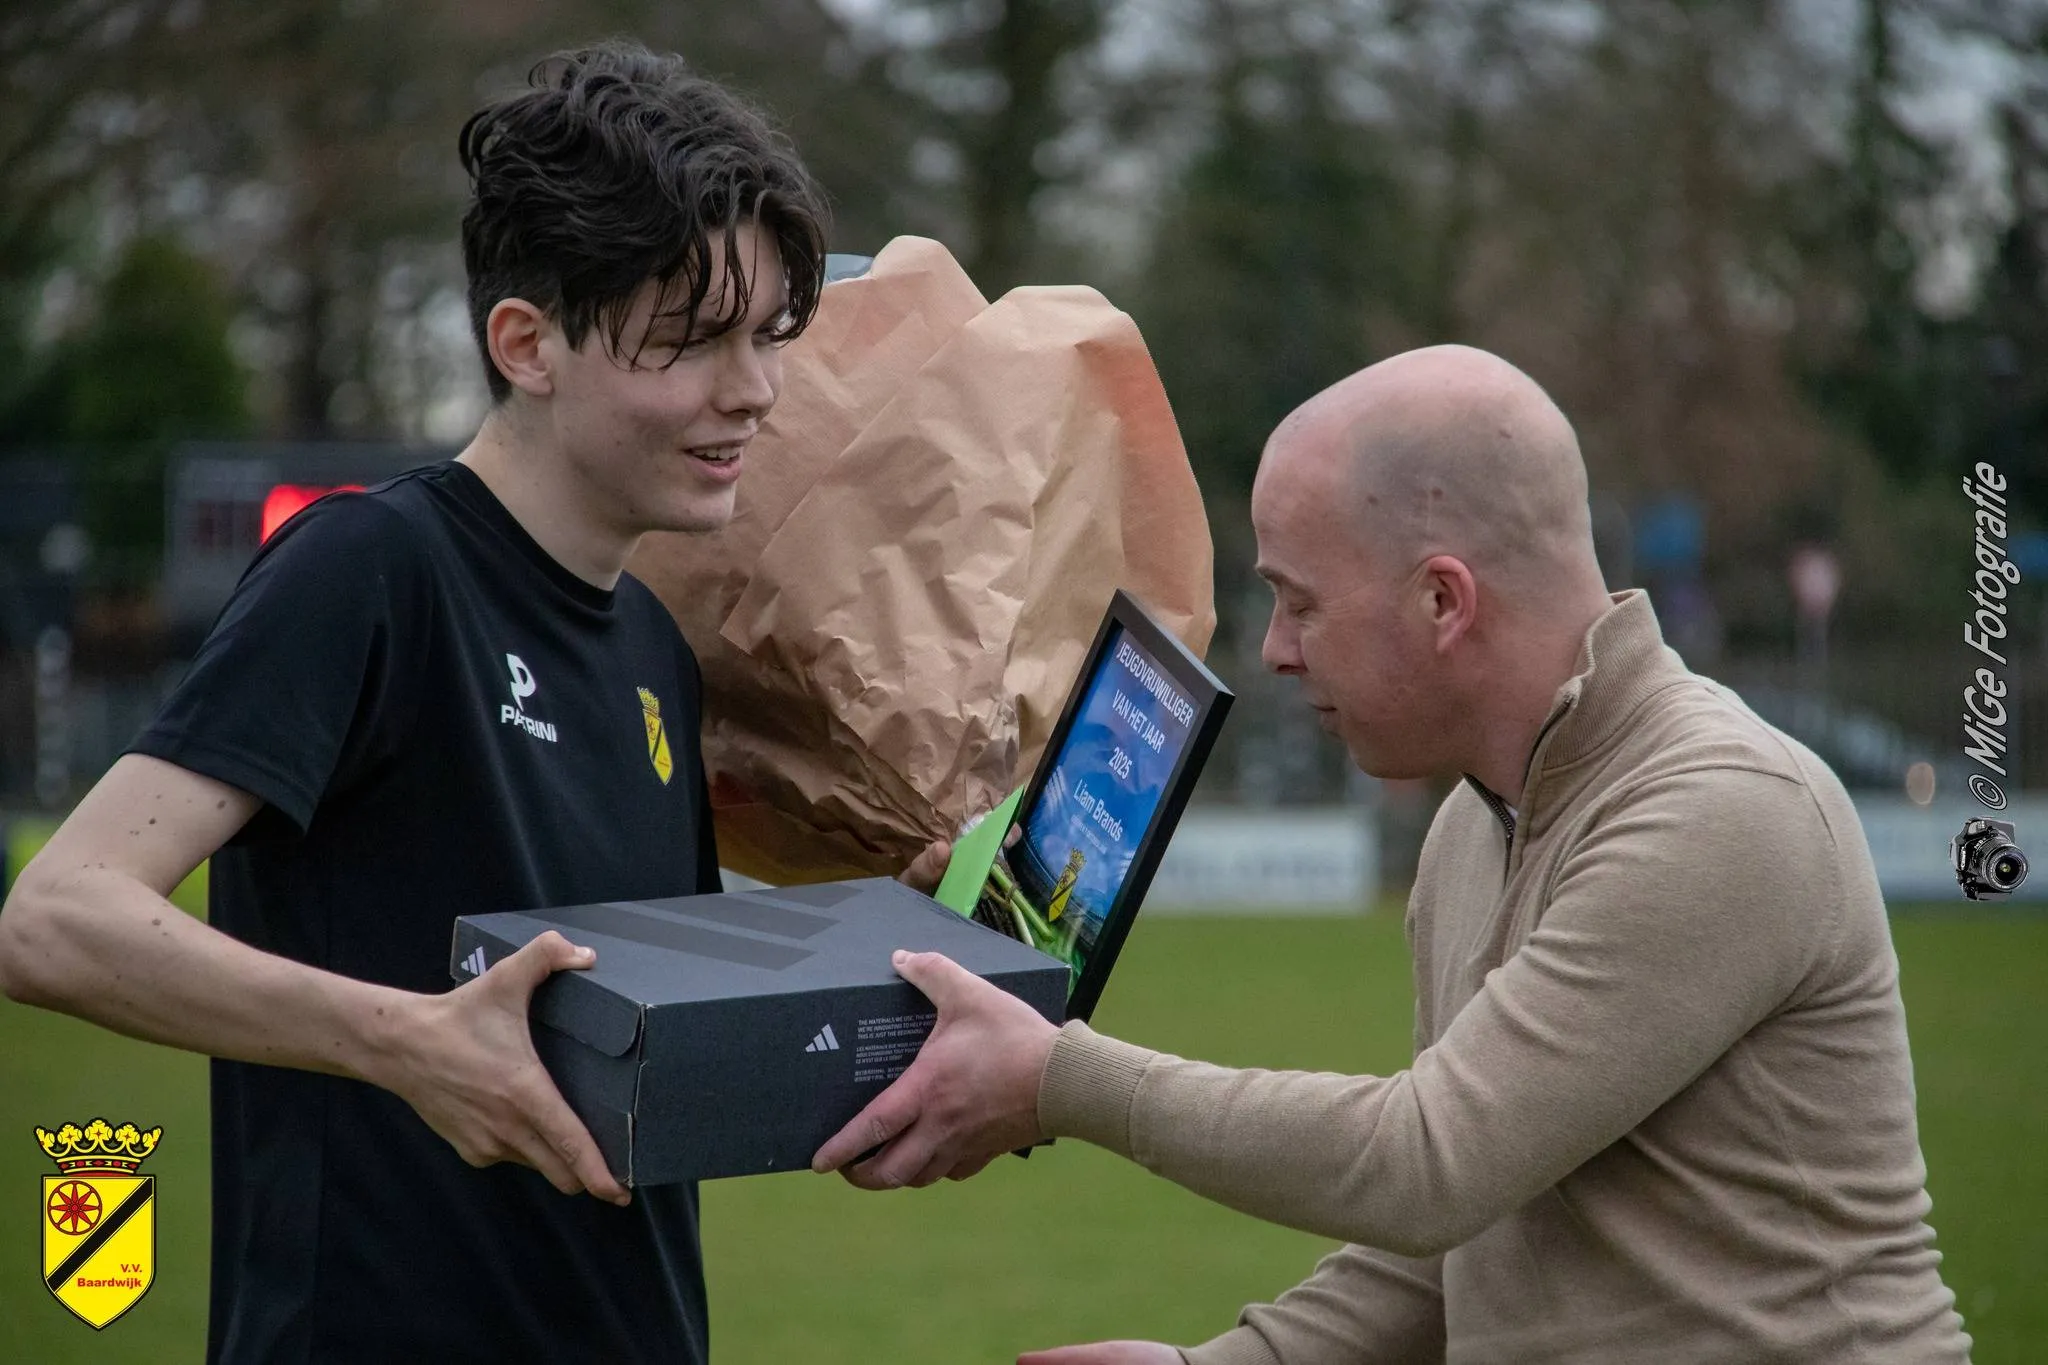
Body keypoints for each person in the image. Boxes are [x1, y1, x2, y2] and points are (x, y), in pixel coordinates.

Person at [0, 41, 892, 1364]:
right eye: (691, 339)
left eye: (765, 335)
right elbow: (55, 921)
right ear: (527, 344)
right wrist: (405, 1042)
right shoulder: (370, 569)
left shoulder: (654, 647)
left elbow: (644, 1058)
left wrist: (907, 1032)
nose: (753, 389)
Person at [813, 345, 1971, 1362]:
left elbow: (1427, 1165)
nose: (1274, 651)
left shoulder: (1719, 811)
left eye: (1298, 603)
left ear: (1440, 602)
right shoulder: (1475, 824)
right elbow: (1466, 1235)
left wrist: (1056, 1080)